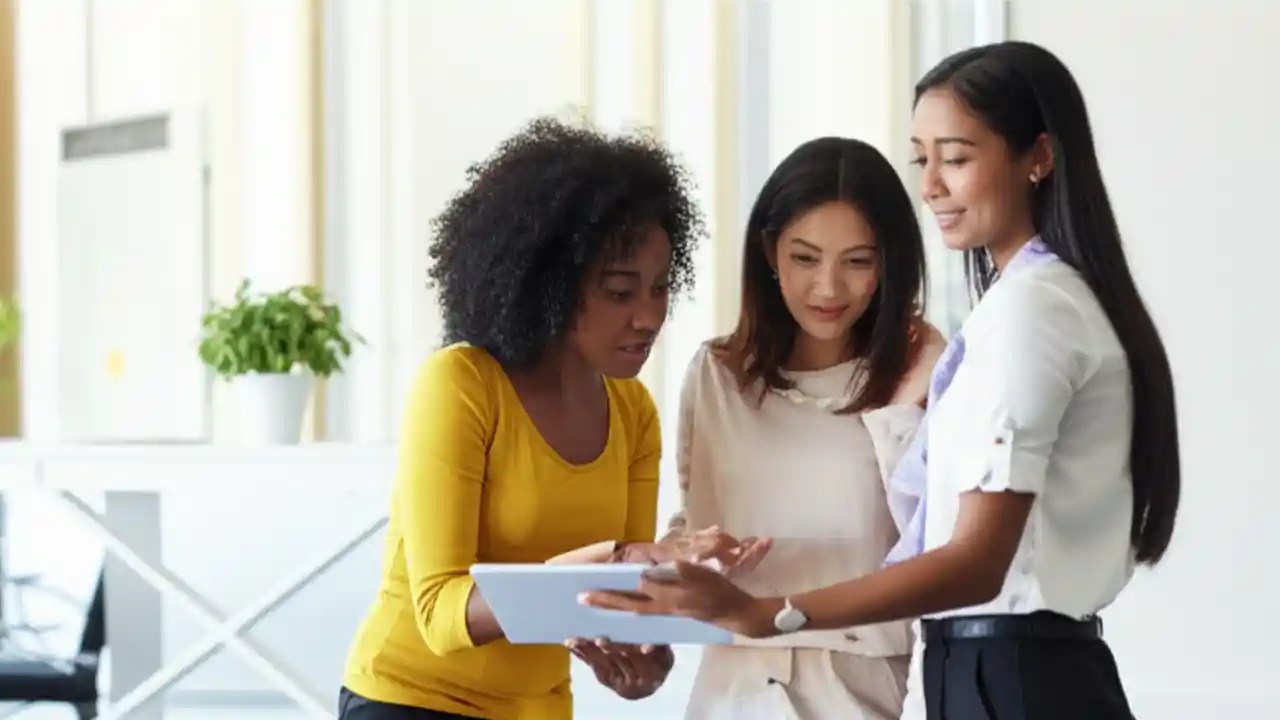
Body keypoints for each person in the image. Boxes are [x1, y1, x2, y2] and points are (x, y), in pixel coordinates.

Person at [583, 40, 1180, 720]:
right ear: (769, 255)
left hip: (1000, 665)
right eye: (922, 159)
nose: (930, 186)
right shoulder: (1011, 311)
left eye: (955, 158)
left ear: (1038, 157)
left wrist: (767, 613)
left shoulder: (1025, 316)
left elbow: (974, 560)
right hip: (969, 664)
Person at [340, 116, 704, 719]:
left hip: (539, 709)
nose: (648, 317)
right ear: (551, 285)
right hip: (410, 699)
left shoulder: (634, 412)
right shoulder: (461, 385)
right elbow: (440, 613)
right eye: (620, 292)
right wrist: (567, 579)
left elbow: (622, 597)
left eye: (660, 288)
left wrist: (646, 663)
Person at [633, 137, 945, 719]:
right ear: (770, 253)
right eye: (805, 258)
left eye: (858, 260)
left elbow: (938, 547)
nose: (829, 289)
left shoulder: (921, 369)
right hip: (730, 689)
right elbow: (694, 520)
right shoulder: (717, 375)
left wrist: (909, 386)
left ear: (889, 263)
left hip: (854, 689)